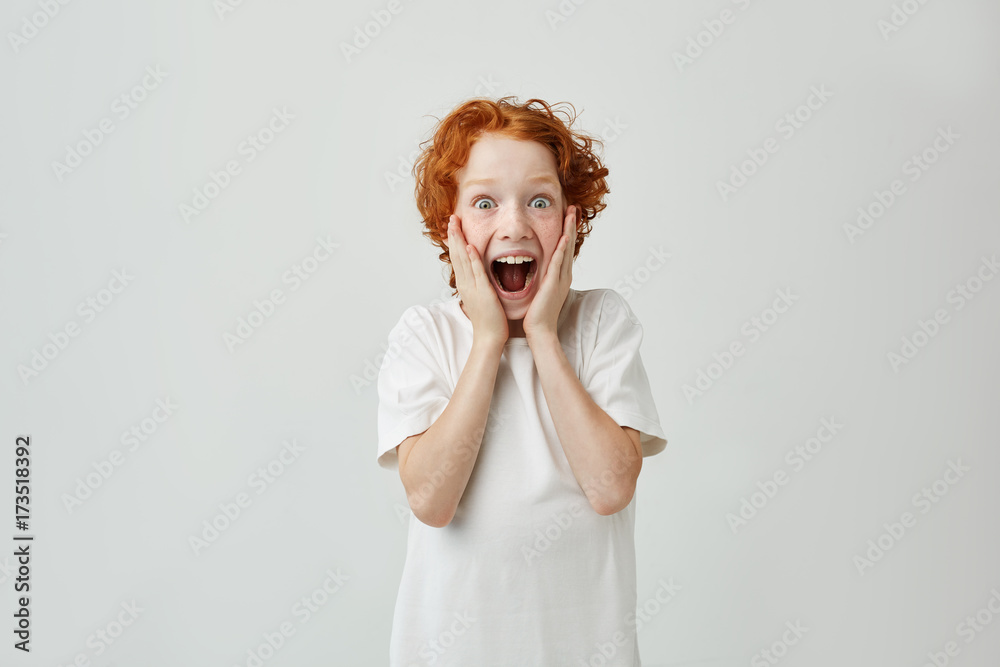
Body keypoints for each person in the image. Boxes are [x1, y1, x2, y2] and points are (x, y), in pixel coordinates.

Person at [376, 96, 668, 666]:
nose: (514, 224)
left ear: (570, 219)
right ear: (449, 224)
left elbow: (611, 488)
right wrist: (488, 341)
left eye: (539, 201)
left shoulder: (601, 323)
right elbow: (431, 500)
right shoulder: (424, 335)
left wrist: (542, 337)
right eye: (485, 202)